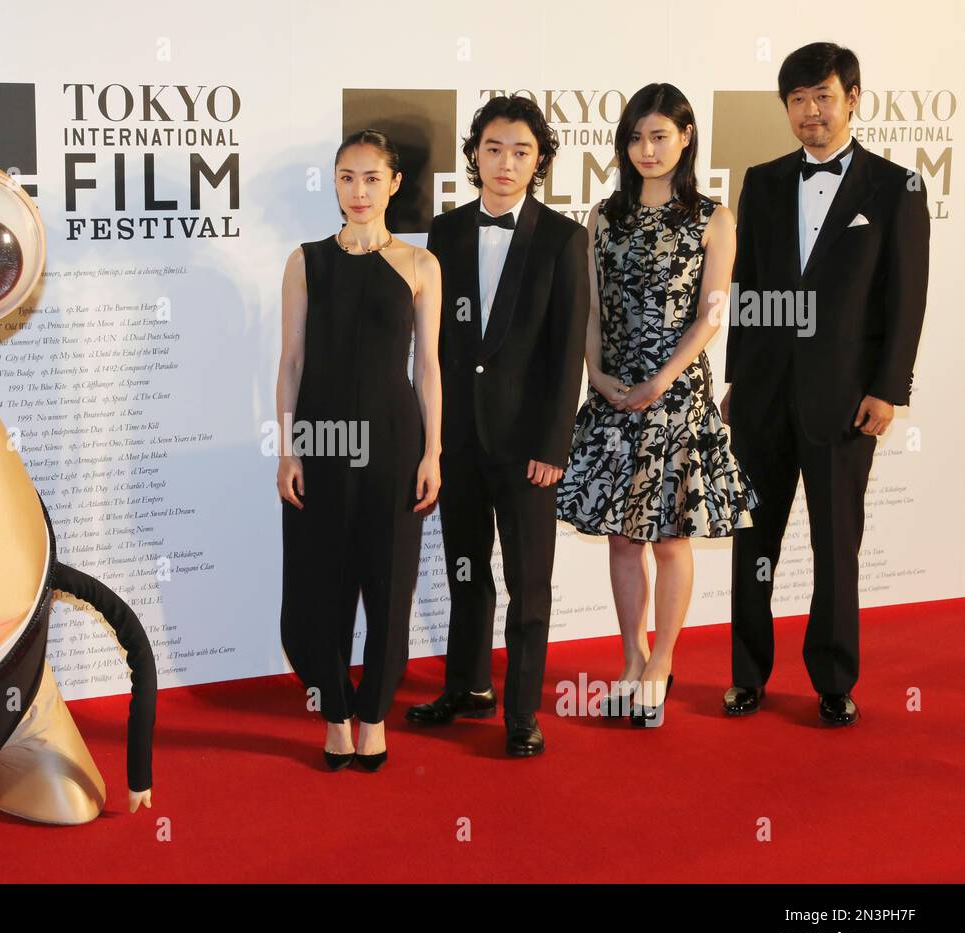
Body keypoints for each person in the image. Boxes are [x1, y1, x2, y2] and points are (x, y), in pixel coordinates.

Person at [721, 42, 930, 726]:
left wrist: (888, 389)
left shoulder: (897, 186)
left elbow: (905, 298)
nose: (811, 113)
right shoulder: (763, 179)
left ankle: (834, 679)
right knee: (754, 539)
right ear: (786, 107)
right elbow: (746, 283)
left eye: (824, 98)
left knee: (836, 543)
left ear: (853, 99)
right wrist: (734, 376)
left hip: (845, 399)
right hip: (761, 394)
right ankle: (748, 674)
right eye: (798, 101)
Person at [556, 83, 756, 727]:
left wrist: (661, 380)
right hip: (612, 393)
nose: (646, 149)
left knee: (669, 536)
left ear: (686, 137)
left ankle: (663, 661)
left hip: (677, 396)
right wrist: (597, 372)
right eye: (636, 137)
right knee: (621, 534)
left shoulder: (713, 217)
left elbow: (711, 315)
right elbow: (589, 308)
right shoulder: (603, 216)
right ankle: (630, 657)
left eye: (660, 136)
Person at [406, 96, 588, 757]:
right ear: (474, 154)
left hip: (527, 449)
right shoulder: (447, 231)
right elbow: (436, 349)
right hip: (457, 442)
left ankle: (522, 712)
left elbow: (568, 350)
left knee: (528, 584)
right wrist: (431, 439)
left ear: (539, 161)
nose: (505, 163)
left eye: (520, 151)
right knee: (464, 570)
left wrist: (552, 445)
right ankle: (468, 685)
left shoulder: (565, 238)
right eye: (492, 148)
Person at [277, 130, 442, 771]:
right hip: (318, 442)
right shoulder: (305, 261)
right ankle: (336, 713)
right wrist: (289, 450)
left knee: (389, 581)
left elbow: (427, 367)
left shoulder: (420, 266)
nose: (359, 191)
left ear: (394, 183)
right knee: (321, 584)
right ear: (335, 184)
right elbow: (291, 361)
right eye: (347, 177)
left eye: (372, 178)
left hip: (395, 442)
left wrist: (433, 453)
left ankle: (373, 714)